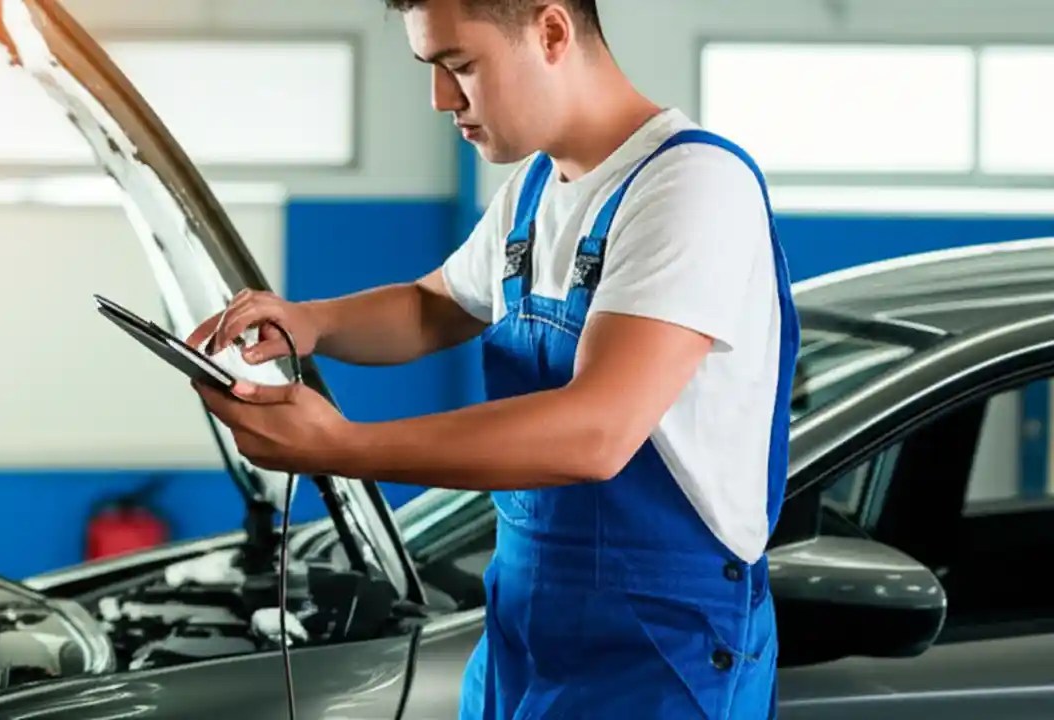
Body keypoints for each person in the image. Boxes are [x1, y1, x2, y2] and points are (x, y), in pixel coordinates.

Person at [186, 0, 800, 717]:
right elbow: (433, 304)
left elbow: (595, 432)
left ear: (550, 31)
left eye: (461, 65)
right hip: (525, 632)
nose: (442, 99)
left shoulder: (690, 186)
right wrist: (308, 322)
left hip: (661, 657)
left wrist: (343, 447)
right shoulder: (537, 189)